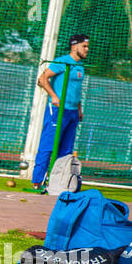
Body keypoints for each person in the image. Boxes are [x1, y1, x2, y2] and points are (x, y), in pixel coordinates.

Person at [32, 33, 90, 190]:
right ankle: (37, 181)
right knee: (49, 145)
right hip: (58, 110)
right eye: (84, 46)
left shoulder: (80, 67)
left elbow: (76, 90)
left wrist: (79, 109)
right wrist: (54, 96)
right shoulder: (62, 62)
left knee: (66, 150)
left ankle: (57, 181)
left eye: (87, 46)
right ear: (74, 46)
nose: (87, 49)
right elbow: (42, 79)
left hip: (72, 112)